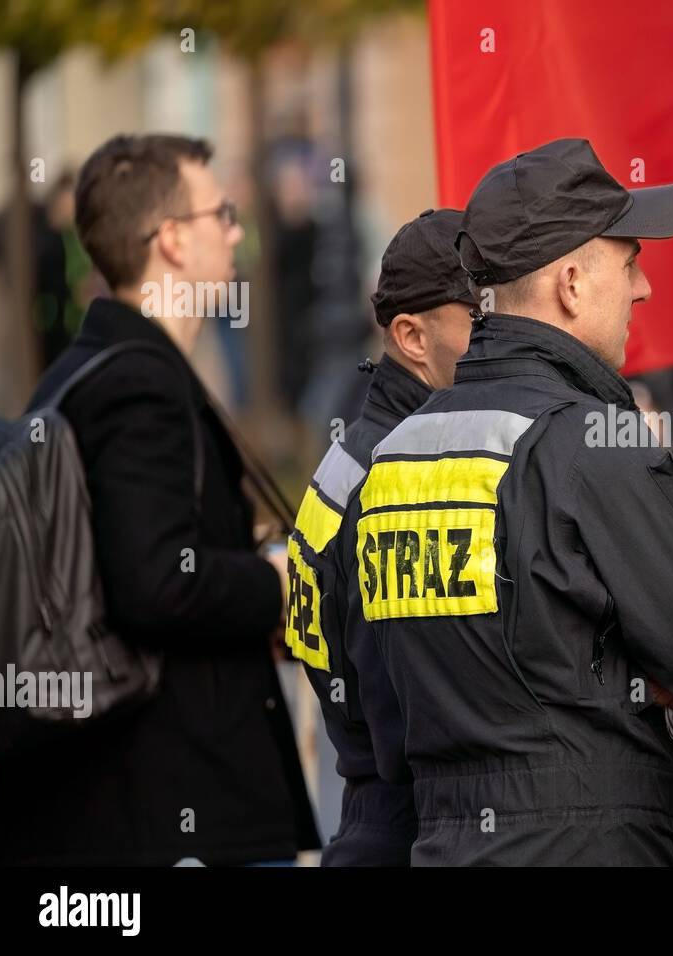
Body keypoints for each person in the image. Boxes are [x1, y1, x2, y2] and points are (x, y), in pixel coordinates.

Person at [358, 138, 673, 865]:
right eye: (630, 263)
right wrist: (645, 713)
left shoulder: (392, 459)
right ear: (571, 284)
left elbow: (388, 715)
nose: (644, 291)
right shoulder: (588, 443)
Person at [0, 133, 319, 865]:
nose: (237, 231)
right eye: (221, 213)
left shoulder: (88, 372)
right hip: (168, 812)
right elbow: (156, 581)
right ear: (171, 239)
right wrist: (272, 583)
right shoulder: (139, 387)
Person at [287, 208, 474, 865]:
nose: (508, 334)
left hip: (375, 819)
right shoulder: (401, 480)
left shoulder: (358, 455)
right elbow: (416, 726)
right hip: (415, 833)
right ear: (411, 336)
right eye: (482, 316)